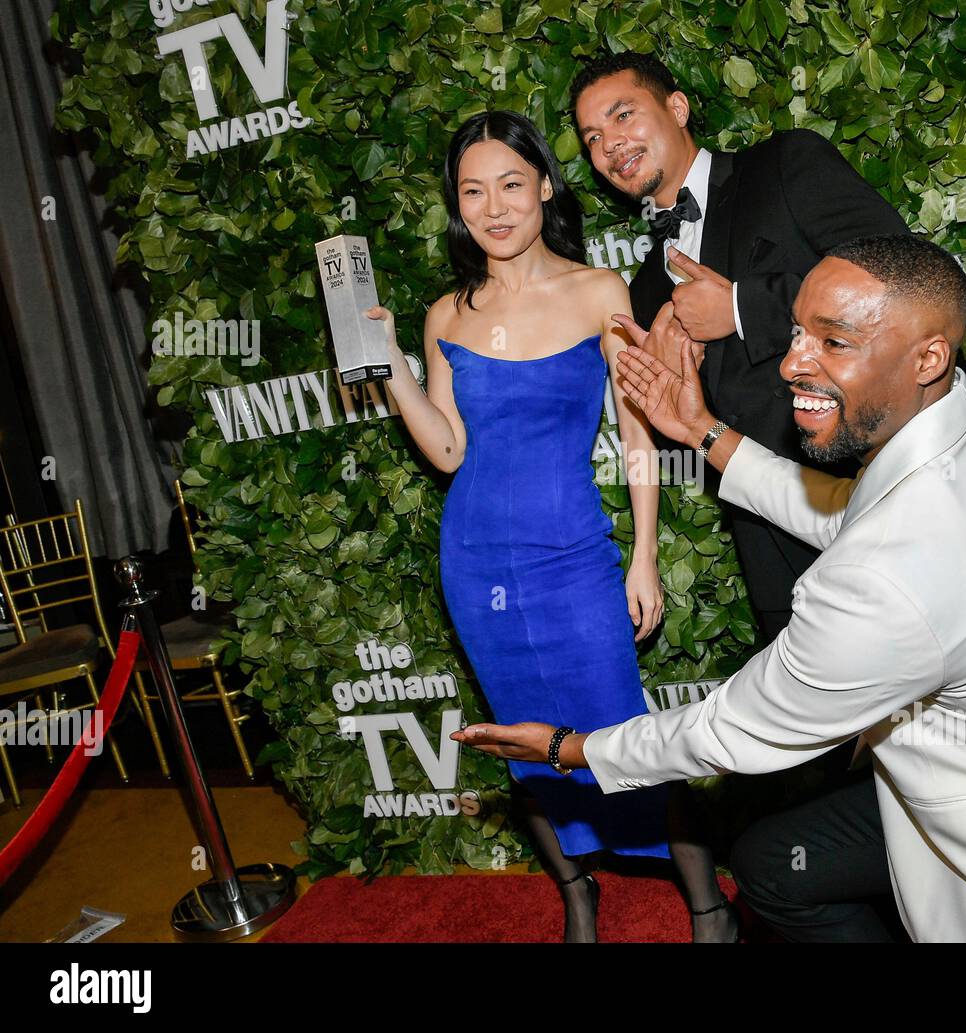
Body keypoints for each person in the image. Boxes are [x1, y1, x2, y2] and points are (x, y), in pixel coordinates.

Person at [452, 233, 966, 942]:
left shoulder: (887, 581)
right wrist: (702, 430)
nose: (792, 362)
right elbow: (859, 514)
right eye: (797, 333)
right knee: (778, 862)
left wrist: (571, 745)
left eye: (834, 342)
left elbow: (731, 728)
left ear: (927, 356)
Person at [367, 110, 735, 942]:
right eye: (472, 191)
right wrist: (391, 365)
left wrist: (643, 557)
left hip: (572, 557)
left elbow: (637, 432)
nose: (494, 208)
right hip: (473, 560)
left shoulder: (599, 292)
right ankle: (577, 896)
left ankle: (709, 909)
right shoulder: (445, 315)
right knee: (521, 738)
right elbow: (451, 449)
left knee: (624, 733)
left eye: (510, 184)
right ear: (456, 207)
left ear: (543, 187)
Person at [572, 52, 909, 643]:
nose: (611, 144)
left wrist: (738, 308)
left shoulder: (782, 165)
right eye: (593, 137)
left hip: (882, 504)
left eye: (624, 115)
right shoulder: (645, 290)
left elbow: (900, 280)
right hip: (774, 555)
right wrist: (676, 390)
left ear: (676, 108)